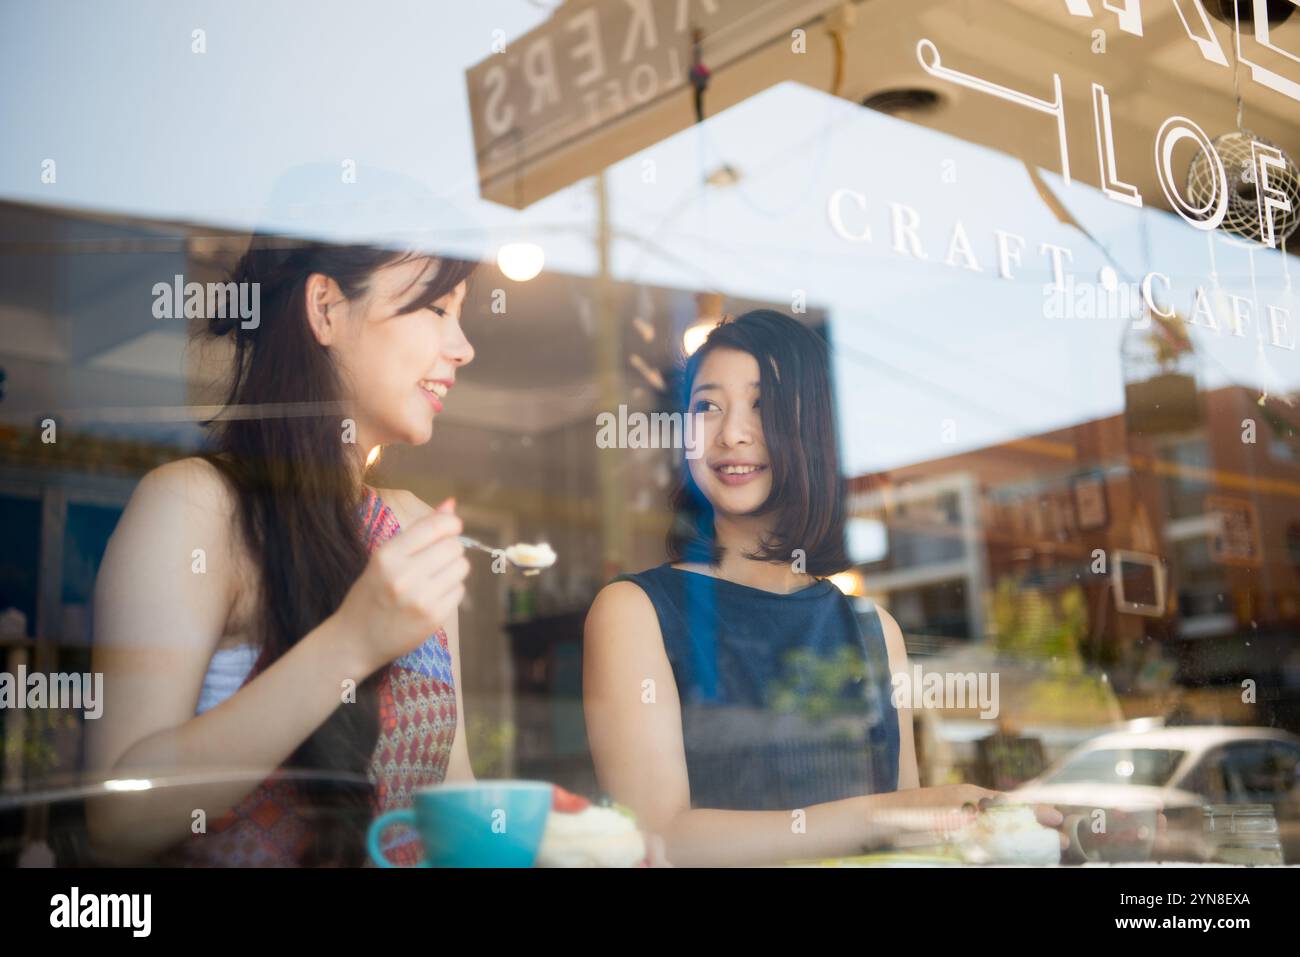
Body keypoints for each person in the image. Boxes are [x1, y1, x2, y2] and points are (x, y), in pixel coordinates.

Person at [86, 169, 479, 866]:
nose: (463, 346)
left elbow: (449, 795)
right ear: (326, 308)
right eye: (437, 308)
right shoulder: (197, 505)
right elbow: (118, 816)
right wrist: (353, 642)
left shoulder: (413, 527)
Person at [584, 309, 1061, 866]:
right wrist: (894, 813)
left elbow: (902, 843)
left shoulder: (875, 630)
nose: (731, 433)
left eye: (762, 405)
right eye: (707, 406)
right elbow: (655, 839)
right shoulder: (635, 611)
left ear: (811, 428)